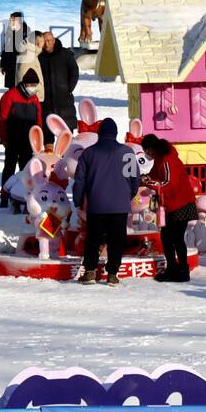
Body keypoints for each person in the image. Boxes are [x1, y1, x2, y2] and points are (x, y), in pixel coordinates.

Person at [72, 118, 139, 286]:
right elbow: (134, 179)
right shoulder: (127, 153)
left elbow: (79, 180)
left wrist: (78, 200)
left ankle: (89, 272)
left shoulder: (88, 153)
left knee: (93, 239)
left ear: (99, 133)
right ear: (115, 134)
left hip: (96, 205)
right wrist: (127, 196)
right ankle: (112, 274)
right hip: (119, 206)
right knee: (117, 240)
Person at [140, 134, 197, 282]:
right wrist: (145, 178)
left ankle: (181, 270)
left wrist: (149, 183)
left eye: (146, 151)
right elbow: (154, 174)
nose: (147, 154)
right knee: (168, 237)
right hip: (173, 204)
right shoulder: (160, 158)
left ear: (151, 148)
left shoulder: (167, 159)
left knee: (175, 238)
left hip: (181, 204)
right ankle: (174, 267)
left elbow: (168, 183)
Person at [0, 69, 44, 203]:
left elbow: (38, 120)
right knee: (9, 168)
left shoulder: (34, 99)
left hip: (28, 141)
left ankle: (23, 197)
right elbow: (3, 118)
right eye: (30, 85)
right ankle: (5, 196)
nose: (32, 88)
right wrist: (4, 138)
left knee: (26, 170)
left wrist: (38, 140)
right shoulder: (10, 95)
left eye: (34, 85)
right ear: (24, 84)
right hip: (12, 139)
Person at [38, 31, 79, 138]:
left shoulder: (65, 54)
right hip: (46, 101)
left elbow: (74, 71)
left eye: (49, 41)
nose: (47, 44)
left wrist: (69, 87)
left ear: (54, 40)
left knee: (66, 134)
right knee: (47, 133)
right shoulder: (38, 56)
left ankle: (67, 154)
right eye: (45, 41)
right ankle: (49, 153)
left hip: (64, 99)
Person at [0, 11, 31, 90]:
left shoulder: (26, 32)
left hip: (20, 67)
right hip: (10, 66)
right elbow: (6, 49)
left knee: (20, 89)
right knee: (12, 89)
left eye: (13, 20)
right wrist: (3, 65)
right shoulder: (10, 31)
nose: (11, 21)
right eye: (11, 20)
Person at [15, 30, 45, 103]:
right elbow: (22, 78)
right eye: (43, 41)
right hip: (30, 99)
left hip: (31, 97)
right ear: (37, 43)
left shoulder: (31, 53)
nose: (44, 44)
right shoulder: (28, 56)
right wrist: (33, 96)